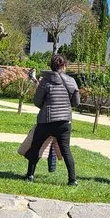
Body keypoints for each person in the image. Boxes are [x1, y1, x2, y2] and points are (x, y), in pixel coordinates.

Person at [24, 54, 80, 185]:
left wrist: (46, 106)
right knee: (66, 150)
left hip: (46, 121)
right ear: (64, 65)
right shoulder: (72, 81)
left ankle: (30, 175)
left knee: (35, 147)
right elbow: (76, 102)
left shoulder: (45, 81)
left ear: (51, 66)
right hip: (64, 122)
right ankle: (73, 180)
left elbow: (37, 101)